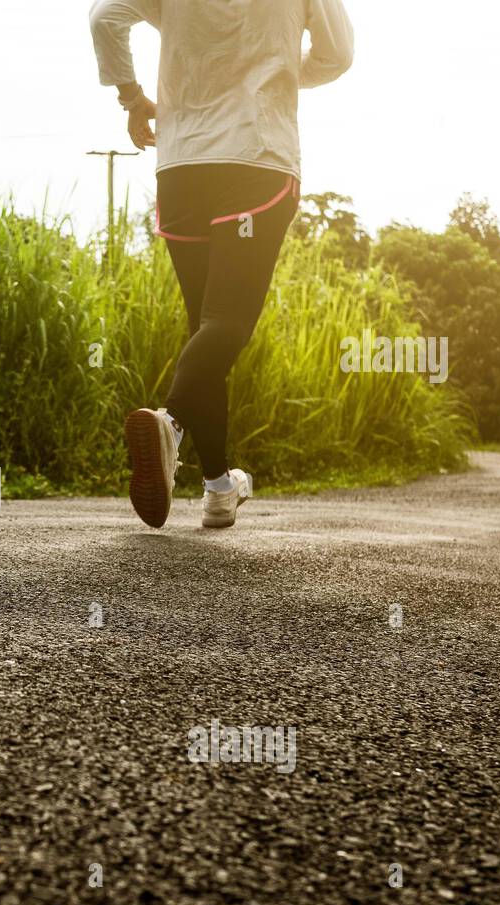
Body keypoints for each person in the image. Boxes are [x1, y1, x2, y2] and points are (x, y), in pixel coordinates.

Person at [90, 0, 354, 528]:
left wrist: (132, 97)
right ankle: (172, 420)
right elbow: (338, 55)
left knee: (206, 327)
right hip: (255, 156)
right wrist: (274, 66)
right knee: (228, 321)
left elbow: (104, 17)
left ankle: (217, 488)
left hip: (183, 160)